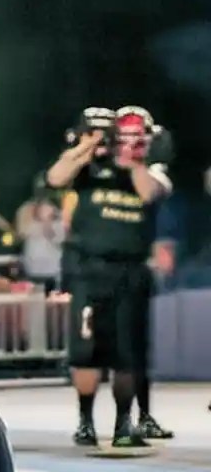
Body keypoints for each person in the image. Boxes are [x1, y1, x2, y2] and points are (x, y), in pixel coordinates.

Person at [44, 106, 173, 448]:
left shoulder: (152, 173)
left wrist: (130, 157)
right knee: (86, 352)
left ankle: (122, 423)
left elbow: (149, 194)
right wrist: (91, 144)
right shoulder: (88, 171)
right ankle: (85, 420)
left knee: (127, 355)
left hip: (129, 273)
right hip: (90, 271)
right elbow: (55, 177)